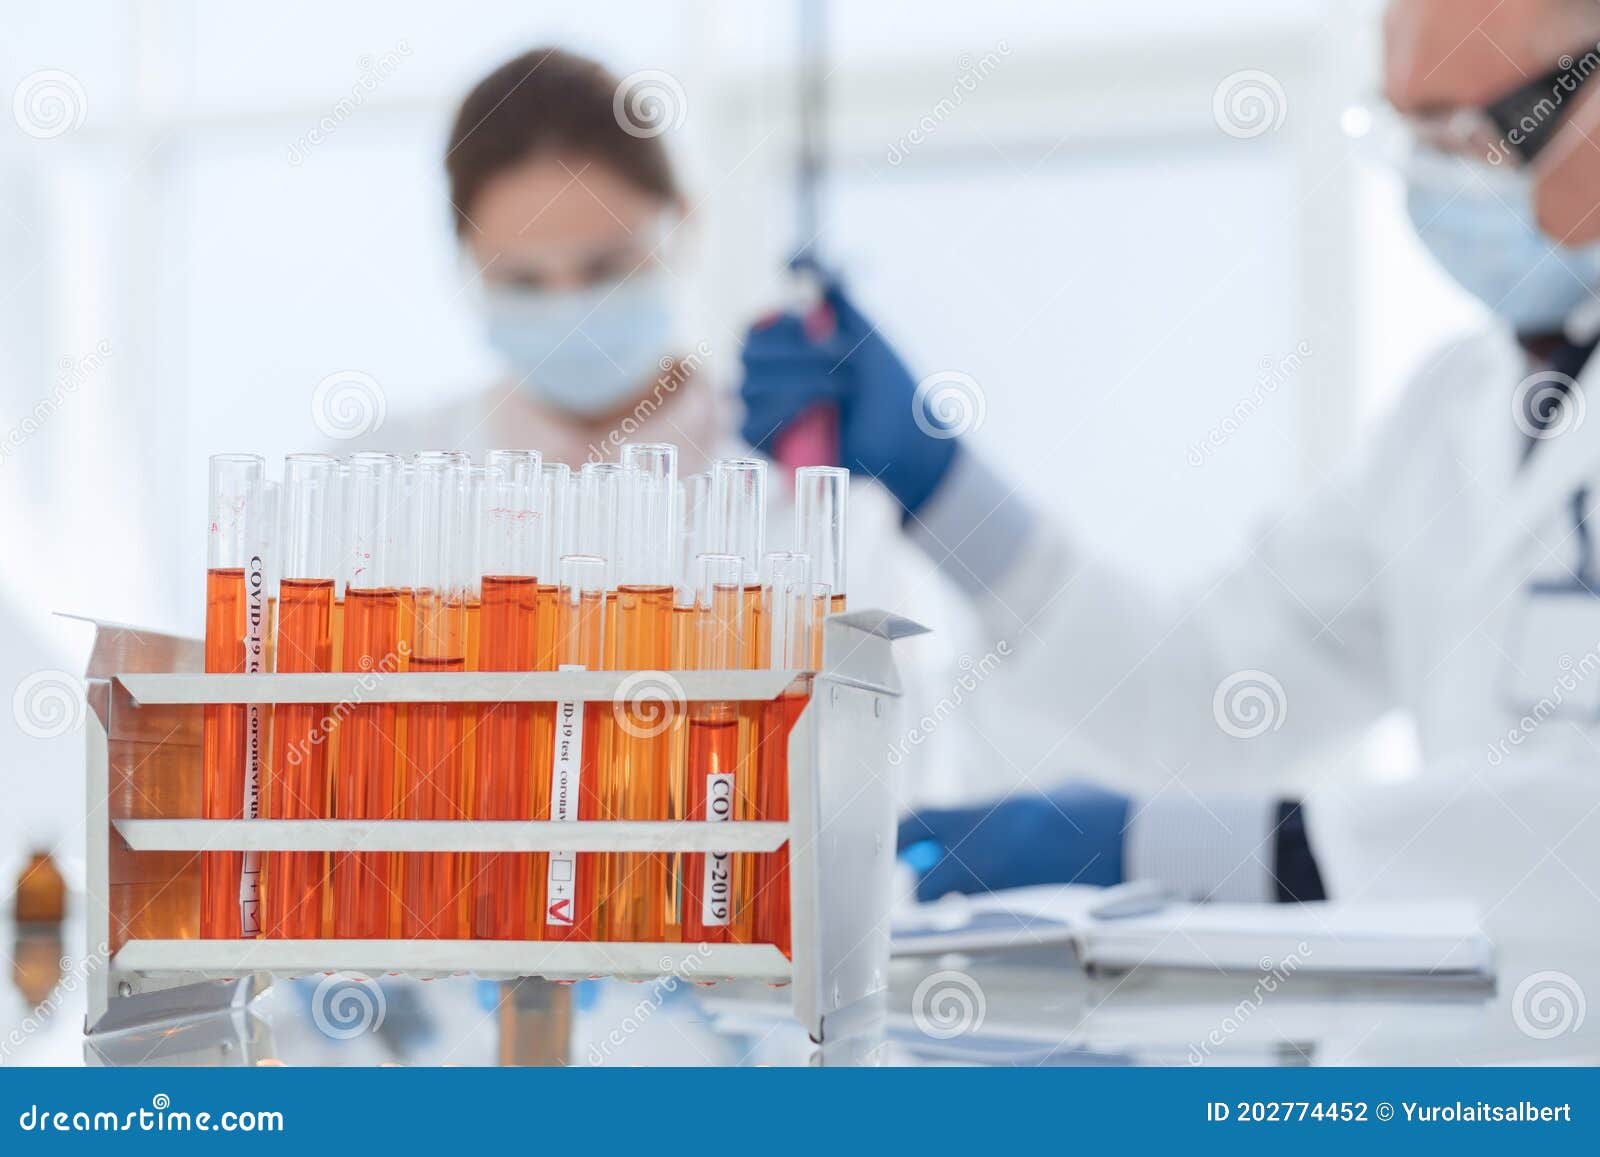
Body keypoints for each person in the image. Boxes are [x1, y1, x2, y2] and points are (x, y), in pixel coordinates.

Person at [741, 0, 1600, 937]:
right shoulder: (1450, 411)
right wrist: (944, 489)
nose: (1433, 179)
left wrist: (1201, 850)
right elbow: (1207, 695)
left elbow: (1568, 837)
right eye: (1410, 133)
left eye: (1472, 131)